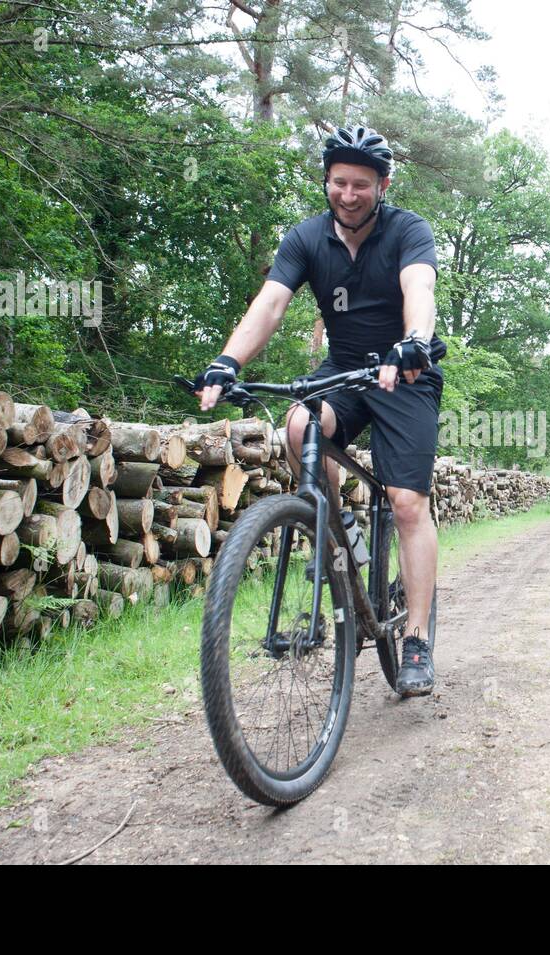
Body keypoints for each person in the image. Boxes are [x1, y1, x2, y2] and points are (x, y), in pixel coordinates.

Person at [191, 125, 443, 698]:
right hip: (346, 371)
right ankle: (337, 525)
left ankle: (418, 640)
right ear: (326, 182)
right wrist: (227, 361)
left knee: (406, 502)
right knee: (301, 422)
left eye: (361, 184)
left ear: (382, 184)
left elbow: (419, 289)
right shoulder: (305, 238)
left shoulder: (408, 230)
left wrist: (414, 342)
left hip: (404, 372)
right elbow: (271, 304)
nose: (348, 194)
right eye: (338, 182)